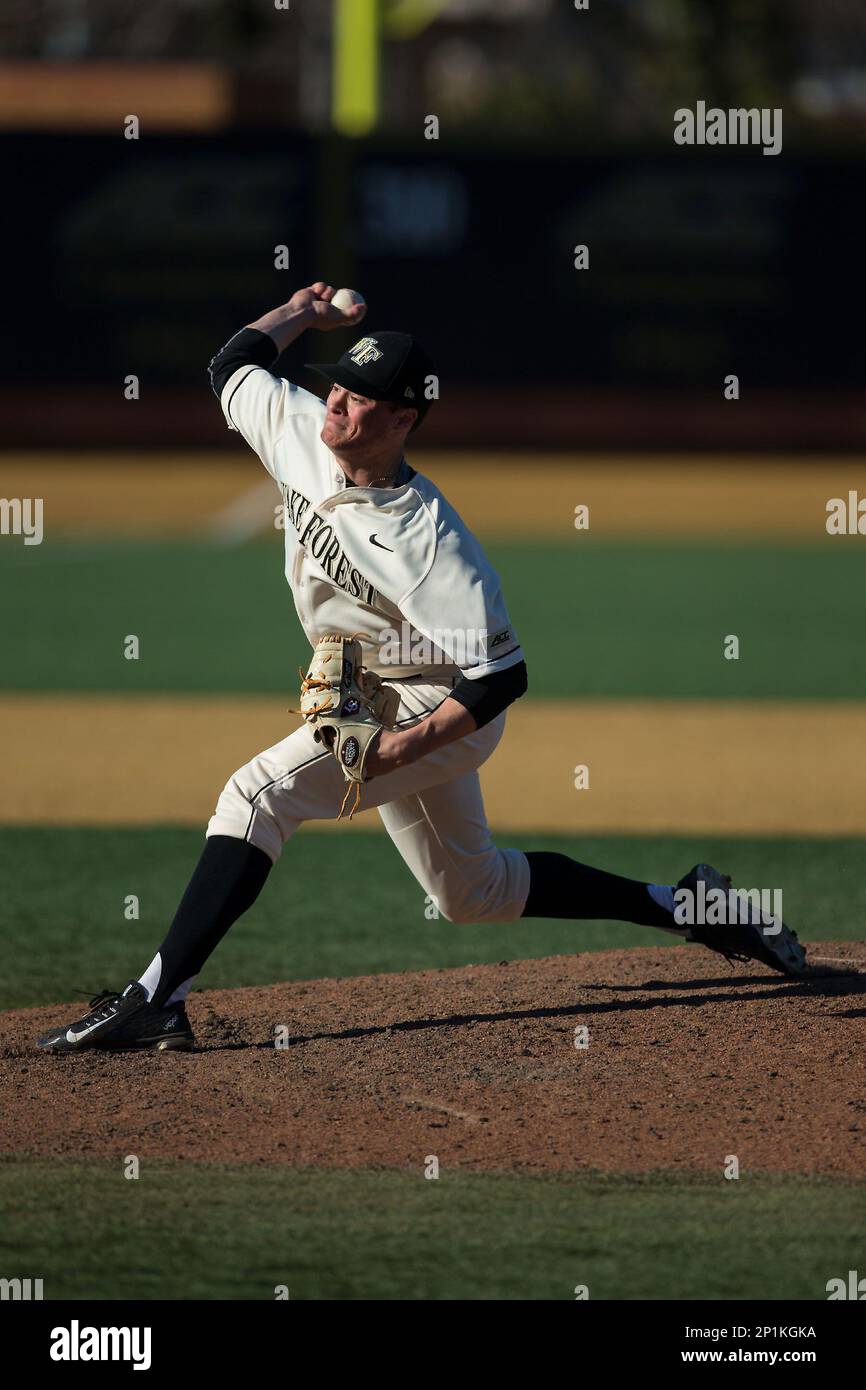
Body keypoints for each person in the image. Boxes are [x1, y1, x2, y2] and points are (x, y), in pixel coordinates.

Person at [37, 284, 806, 1054]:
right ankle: (695, 908)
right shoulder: (303, 429)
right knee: (474, 892)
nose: (337, 403)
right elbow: (233, 363)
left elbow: (502, 674)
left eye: (362, 396)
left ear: (402, 419)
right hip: (374, 683)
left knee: (254, 797)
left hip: (440, 702)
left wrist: (402, 748)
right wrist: (304, 311)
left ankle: (157, 999)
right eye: (337, 384)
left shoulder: (432, 544)